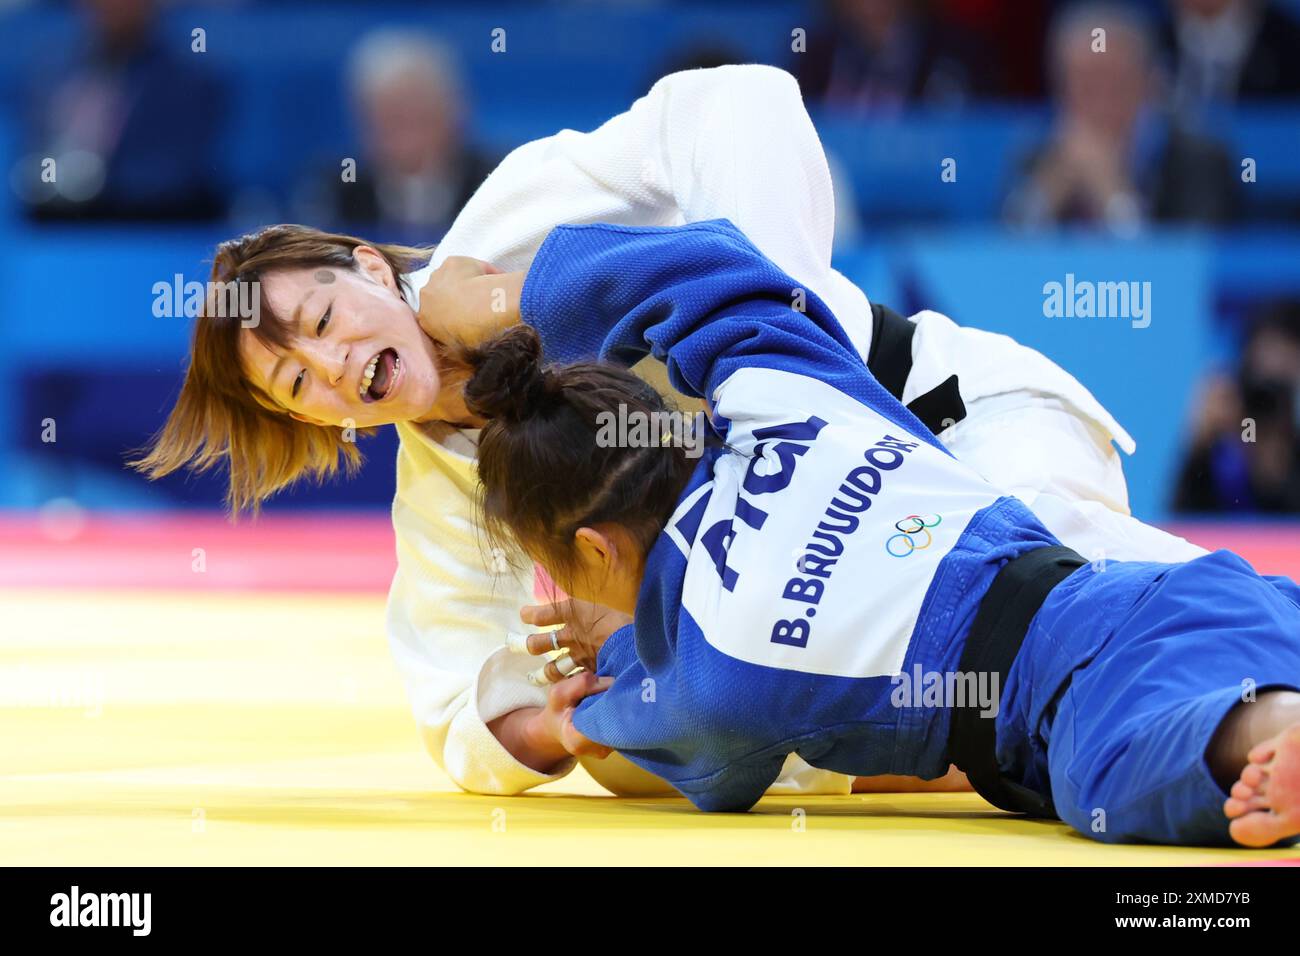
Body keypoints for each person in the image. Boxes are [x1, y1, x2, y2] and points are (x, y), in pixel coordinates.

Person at [135, 64, 1203, 802]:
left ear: (369, 266)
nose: (328, 370)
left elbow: (743, 101)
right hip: (852, 584)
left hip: (948, 425)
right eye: (294, 387)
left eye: (320, 323)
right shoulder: (440, 501)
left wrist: (738, 314)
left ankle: (1219, 692)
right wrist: (561, 714)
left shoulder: (514, 224)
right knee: (649, 742)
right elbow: (458, 705)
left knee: (1074, 581)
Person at [459, 218, 1300, 847]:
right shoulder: (787, 397)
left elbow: (678, 748)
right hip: (1149, 583)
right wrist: (511, 299)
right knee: (1251, 636)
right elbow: (711, 269)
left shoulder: (711, 675)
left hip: (1059, 702)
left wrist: (592, 694)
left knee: (1119, 769)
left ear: (595, 548)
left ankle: (1271, 730)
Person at [1005, 3, 1238, 232]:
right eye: (1086, 87)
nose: (1101, 104)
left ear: (1151, 85)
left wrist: (1114, 196)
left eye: (1116, 86)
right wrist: (1046, 196)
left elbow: (1186, 262)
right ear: (1061, 92)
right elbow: (1001, 255)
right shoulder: (1035, 156)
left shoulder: (1199, 162)